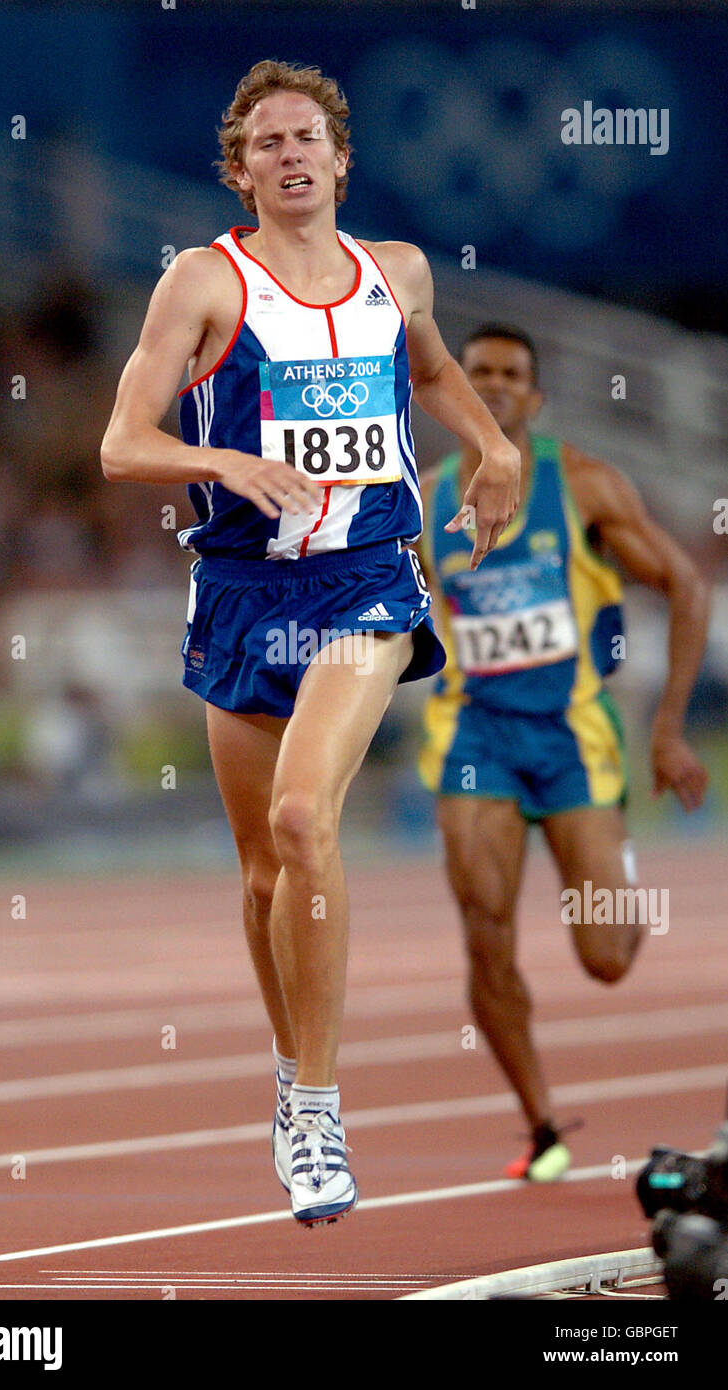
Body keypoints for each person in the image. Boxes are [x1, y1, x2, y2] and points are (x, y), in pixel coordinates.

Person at [100, 63, 520, 1224]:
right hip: (241, 591)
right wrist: (221, 460)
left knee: (302, 819)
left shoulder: (399, 274)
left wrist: (492, 446)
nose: (291, 155)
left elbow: (430, 367)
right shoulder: (202, 281)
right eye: (266, 143)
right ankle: (290, 1076)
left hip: (367, 585)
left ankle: (322, 1110)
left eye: (309, 137)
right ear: (241, 173)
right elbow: (120, 444)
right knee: (260, 872)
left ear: (341, 158)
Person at [418, 323, 710, 1181]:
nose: (495, 384)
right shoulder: (422, 501)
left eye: (512, 374)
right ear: (451, 389)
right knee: (484, 928)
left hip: (574, 738)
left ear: (534, 399)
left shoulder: (583, 484)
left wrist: (665, 730)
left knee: (607, 958)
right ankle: (540, 1125)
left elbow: (686, 588)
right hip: (473, 737)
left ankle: (609, 861)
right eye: (477, 373)